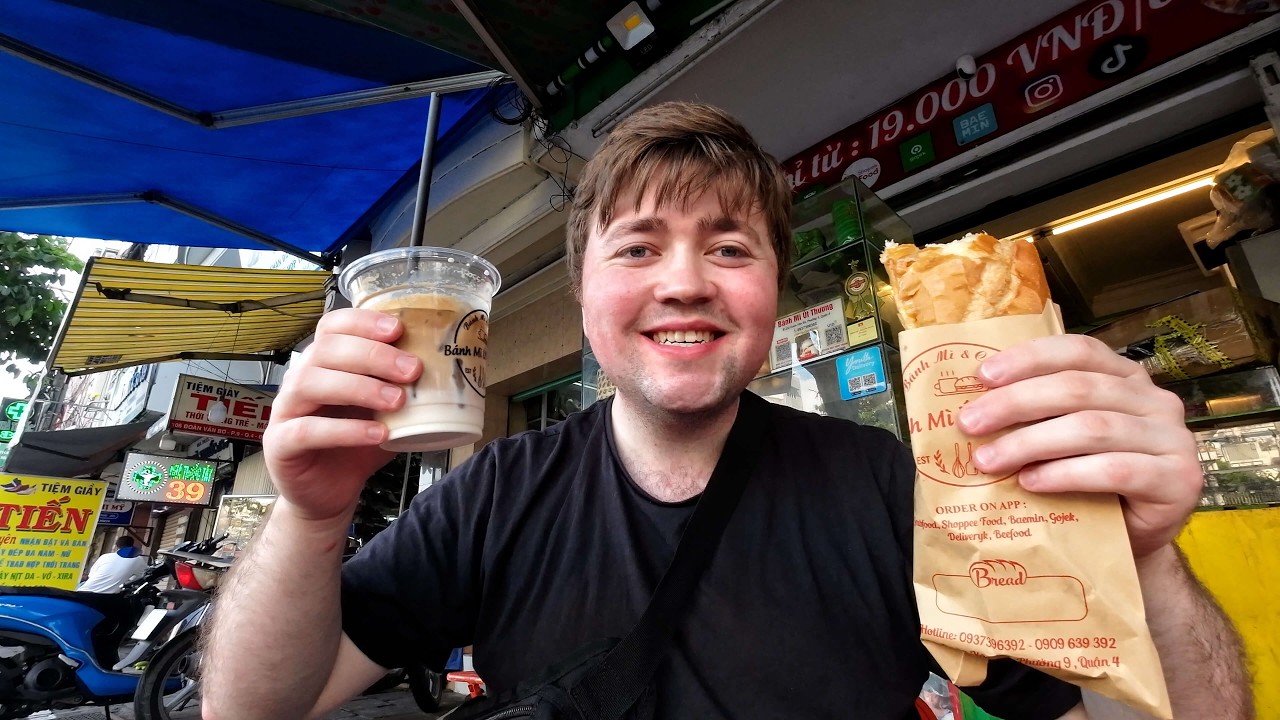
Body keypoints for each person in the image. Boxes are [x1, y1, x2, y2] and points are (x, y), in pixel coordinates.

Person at [203, 102, 1252, 719]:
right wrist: (309, 515)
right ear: (584, 297)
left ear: (772, 294)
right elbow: (250, 707)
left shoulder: (893, 490)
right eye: (638, 247)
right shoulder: (493, 493)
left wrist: (1145, 560)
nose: (685, 283)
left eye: (729, 247)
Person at [77, 536, 147, 593]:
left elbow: (91, 575)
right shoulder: (138, 559)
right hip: (107, 596)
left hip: (84, 590)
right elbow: (143, 575)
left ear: (116, 546)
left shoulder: (105, 556)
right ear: (132, 545)